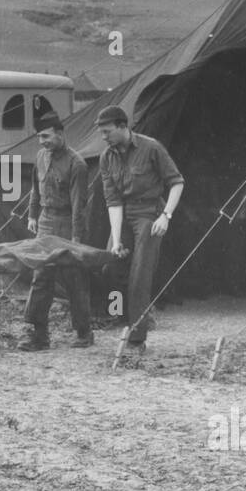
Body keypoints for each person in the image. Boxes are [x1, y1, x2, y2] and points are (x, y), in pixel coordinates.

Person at [96, 105, 184, 350]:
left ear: (123, 126)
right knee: (110, 265)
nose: (103, 137)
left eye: (107, 131)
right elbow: (113, 201)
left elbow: (177, 182)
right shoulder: (106, 157)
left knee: (139, 277)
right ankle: (122, 316)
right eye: (101, 132)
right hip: (124, 214)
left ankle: (136, 340)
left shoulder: (151, 148)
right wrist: (116, 241)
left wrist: (166, 216)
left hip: (150, 214)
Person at [20, 111, 93, 350]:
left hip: (67, 222)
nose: (42, 141)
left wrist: (76, 239)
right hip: (45, 221)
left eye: (46, 136)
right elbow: (35, 188)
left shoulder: (77, 164)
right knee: (41, 277)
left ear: (60, 134)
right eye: (39, 137)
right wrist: (32, 215)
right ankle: (39, 335)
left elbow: (79, 206)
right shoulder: (41, 156)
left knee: (73, 278)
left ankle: (84, 332)